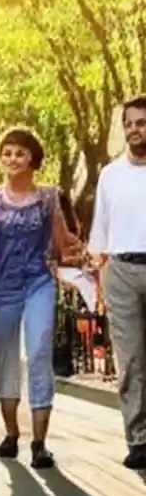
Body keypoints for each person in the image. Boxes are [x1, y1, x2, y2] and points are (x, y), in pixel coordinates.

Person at [0, 127, 82, 469]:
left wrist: (86, 252)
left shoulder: (49, 197)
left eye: (20, 153)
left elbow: (63, 241)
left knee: (39, 352)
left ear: (33, 160)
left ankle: (40, 443)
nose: (12, 158)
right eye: (7, 152)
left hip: (39, 282)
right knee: (3, 359)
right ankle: (11, 433)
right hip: (2, 286)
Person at [88, 95, 146, 470]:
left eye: (141, 122)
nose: (134, 129)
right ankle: (140, 440)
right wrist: (97, 274)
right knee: (130, 361)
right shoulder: (110, 174)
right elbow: (100, 230)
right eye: (128, 123)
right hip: (121, 272)